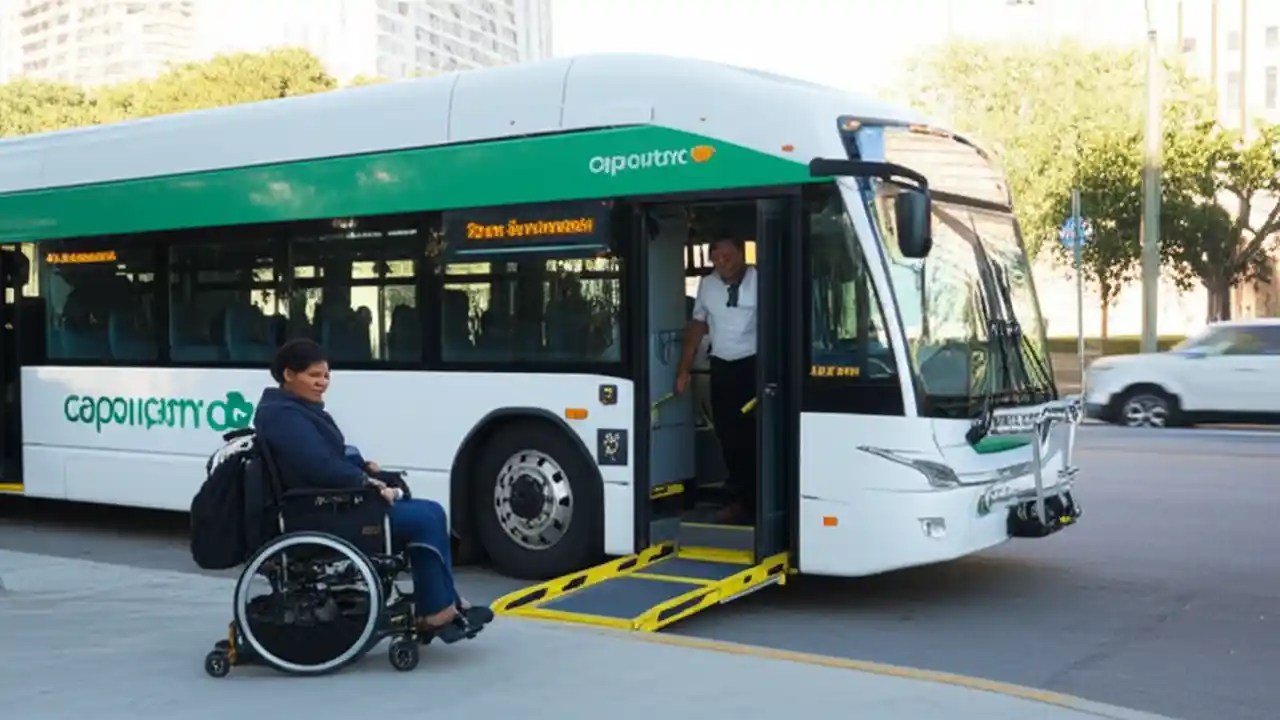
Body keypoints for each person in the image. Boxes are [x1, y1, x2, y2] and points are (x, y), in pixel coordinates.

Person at [253, 338, 493, 642]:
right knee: (426, 518)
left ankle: (442, 602)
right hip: (320, 513)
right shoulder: (284, 415)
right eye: (314, 376)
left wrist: (365, 467)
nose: (322, 383)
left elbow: (328, 456)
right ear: (288, 375)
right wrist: (366, 483)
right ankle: (436, 610)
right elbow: (318, 465)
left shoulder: (293, 409)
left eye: (326, 376)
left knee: (429, 512)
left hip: (327, 504)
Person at [675, 235, 757, 525]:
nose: (723, 263)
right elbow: (698, 325)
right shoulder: (708, 285)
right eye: (717, 259)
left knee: (752, 436)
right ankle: (739, 500)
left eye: (728, 256)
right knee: (726, 434)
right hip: (722, 367)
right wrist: (684, 369)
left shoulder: (760, 280)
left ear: (741, 253)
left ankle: (756, 502)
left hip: (754, 367)